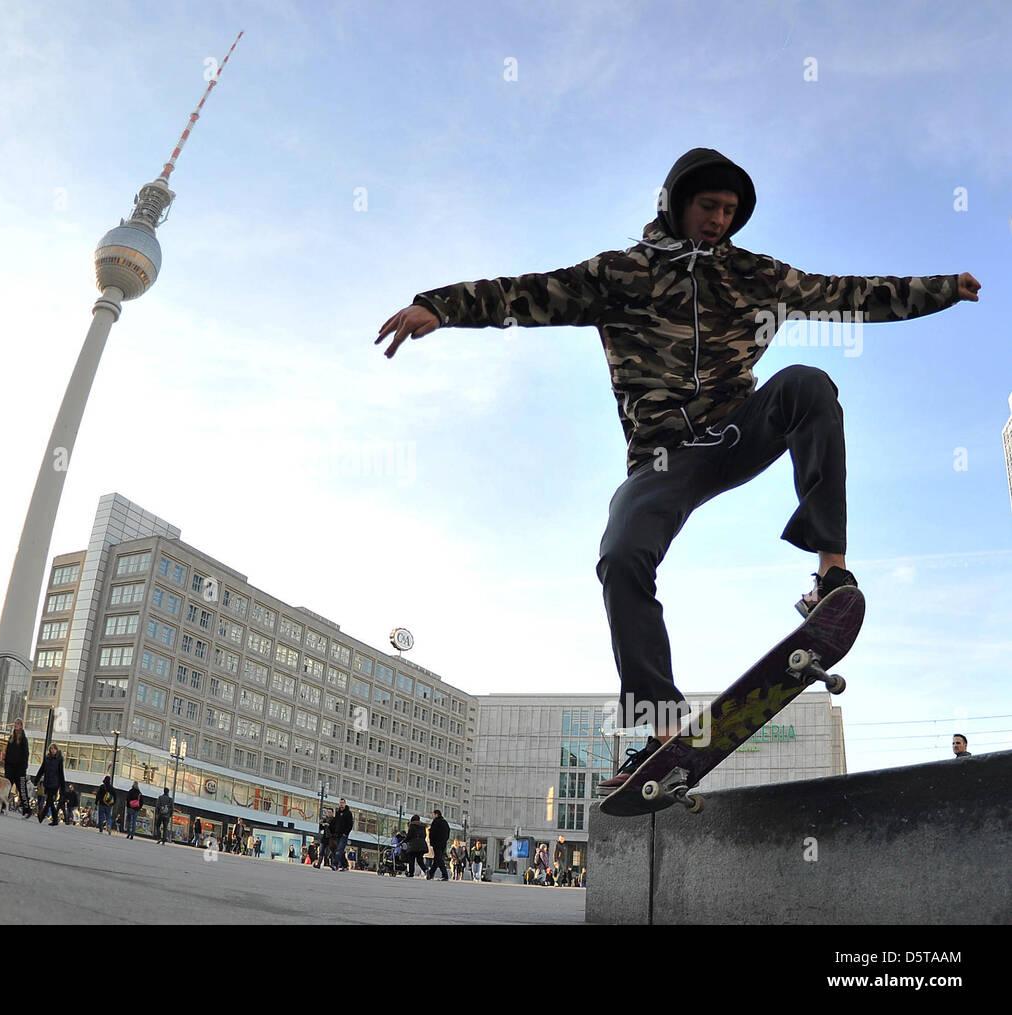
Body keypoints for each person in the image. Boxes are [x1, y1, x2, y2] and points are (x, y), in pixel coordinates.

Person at [377, 148, 981, 789]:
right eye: (708, 207)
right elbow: (526, 294)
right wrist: (438, 306)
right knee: (622, 555)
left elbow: (848, 295)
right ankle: (662, 728)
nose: (719, 220)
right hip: (661, 460)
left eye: (729, 211)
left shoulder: (754, 276)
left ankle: (829, 575)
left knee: (809, 384)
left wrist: (941, 289)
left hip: (735, 429)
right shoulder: (620, 274)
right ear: (675, 204)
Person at [33, 744, 67, 826]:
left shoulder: (59, 759)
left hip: (55, 783)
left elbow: (61, 773)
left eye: (54, 749)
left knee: (49, 801)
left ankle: (42, 816)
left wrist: (62, 787)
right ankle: (55, 820)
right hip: (47, 783)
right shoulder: (47, 758)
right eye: (51, 749)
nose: (52, 750)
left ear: (56, 750)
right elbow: (42, 769)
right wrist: (36, 779)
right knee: (50, 802)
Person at [4, 719, 32, 817]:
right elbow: (7, 752)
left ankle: (27, 810)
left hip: (20, 769)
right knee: (6, 788)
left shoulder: (23, 739)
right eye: (15, 723)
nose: (16, 725)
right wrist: (6, 765)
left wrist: (23, 767)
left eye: (18, 724)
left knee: (22, 790)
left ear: (21, 726)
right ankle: (3, 807)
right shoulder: (11, 738)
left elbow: (26, 754)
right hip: (10, 768)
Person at [426, 809, 450, 882]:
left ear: (436, 814)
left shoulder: (436, 822)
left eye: (433, 814)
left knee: (439, 859)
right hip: (443, 844)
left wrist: (431, 842)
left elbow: (432, 832)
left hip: (437, 843)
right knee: (437, 859)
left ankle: (445, 875)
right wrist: (445, 840)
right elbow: (448, 832)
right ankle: (431, 873)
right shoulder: (445, 822)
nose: (433, 816)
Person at [331, 799, 354, 873]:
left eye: (342, 803)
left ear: (345, 804)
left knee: (339, 850)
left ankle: (335, 864)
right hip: (337, 834)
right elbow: (335, 823)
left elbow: (350, 824)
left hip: (344, 835)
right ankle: (345, 865)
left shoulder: (348, 813)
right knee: (340, 851)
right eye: (340, 803)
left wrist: (346, 833)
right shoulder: (337, 812)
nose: (341, 804)